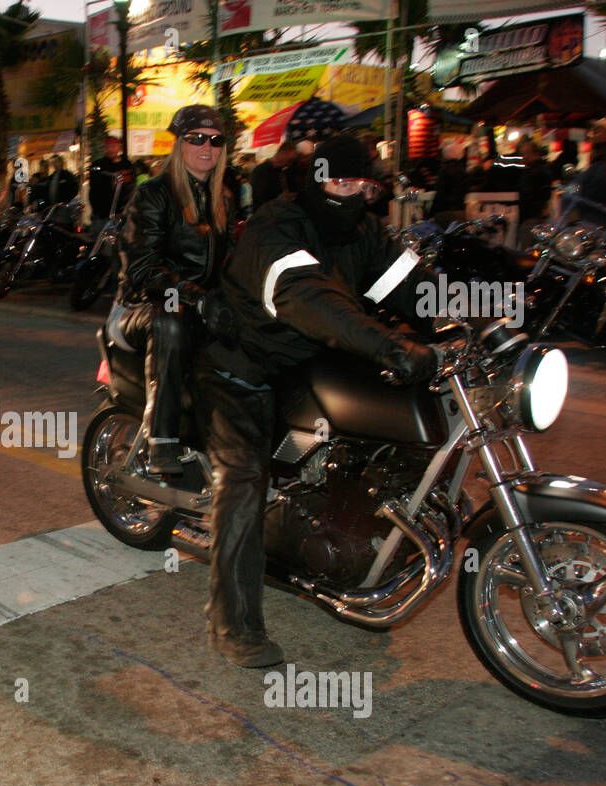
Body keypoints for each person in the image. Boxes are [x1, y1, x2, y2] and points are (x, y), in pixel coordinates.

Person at [197, 133, 443, 669]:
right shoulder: (275, 226)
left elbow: (412, 285)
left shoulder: (364, 231)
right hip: (245, 366)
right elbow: (310, 296)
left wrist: (482, 317)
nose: (351, 193)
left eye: (362, 185)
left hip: (317, 364)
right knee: (243, 479)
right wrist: (390, 345)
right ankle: (233, 623)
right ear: (315, 181)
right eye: (339, 182)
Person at [116, 104, 235, 476]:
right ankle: (162, 438)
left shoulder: (225, 199)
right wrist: (197, 298)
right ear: (179, 143)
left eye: (216, 140)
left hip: (201, 307)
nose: (207, 147)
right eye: (196, 138)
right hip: (145, 306)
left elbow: (233, 262)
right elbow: (143, 269)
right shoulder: (153, 194)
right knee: (172, 321)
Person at [88, 136, 135, 229]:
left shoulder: (127, 165)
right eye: (107, 147)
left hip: (121, 213)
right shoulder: (98, 165)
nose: (110, 149)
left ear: (119, 147)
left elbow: (130, 187)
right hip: (102, 214)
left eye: (113, 146)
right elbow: (94, 189)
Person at [248, 142, 297, 213]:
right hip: (265, 215)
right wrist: (280, 199)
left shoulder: (281, 171)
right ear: (283, 153)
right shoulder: (261, 170)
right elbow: (259, 196)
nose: (289, 163)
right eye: (290, 159)